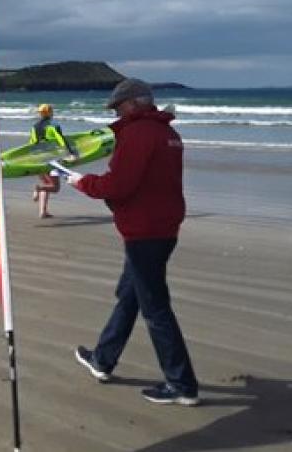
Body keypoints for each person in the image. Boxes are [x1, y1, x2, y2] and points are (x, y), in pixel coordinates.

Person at [65, 78, 199, 406]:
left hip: (144, 230)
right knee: (129, 296)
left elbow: (119, 185)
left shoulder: (139, 133)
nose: (117, 113)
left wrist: (82, 182)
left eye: (120, 106)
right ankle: (102, 359)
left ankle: (182, 384)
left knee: (155, 307)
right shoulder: (168, 133)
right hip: (164, 226)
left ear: (136, 102)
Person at [30, 103, 78, 218]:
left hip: (39, 158)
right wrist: (71, 152)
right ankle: (38, 188)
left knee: (47, 184)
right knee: (55, 188)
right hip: (52, 159)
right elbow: (61, 140)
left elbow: (32, 143)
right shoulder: (53, 125)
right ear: (50, 113)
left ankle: (42, 211)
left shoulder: (34, 127)